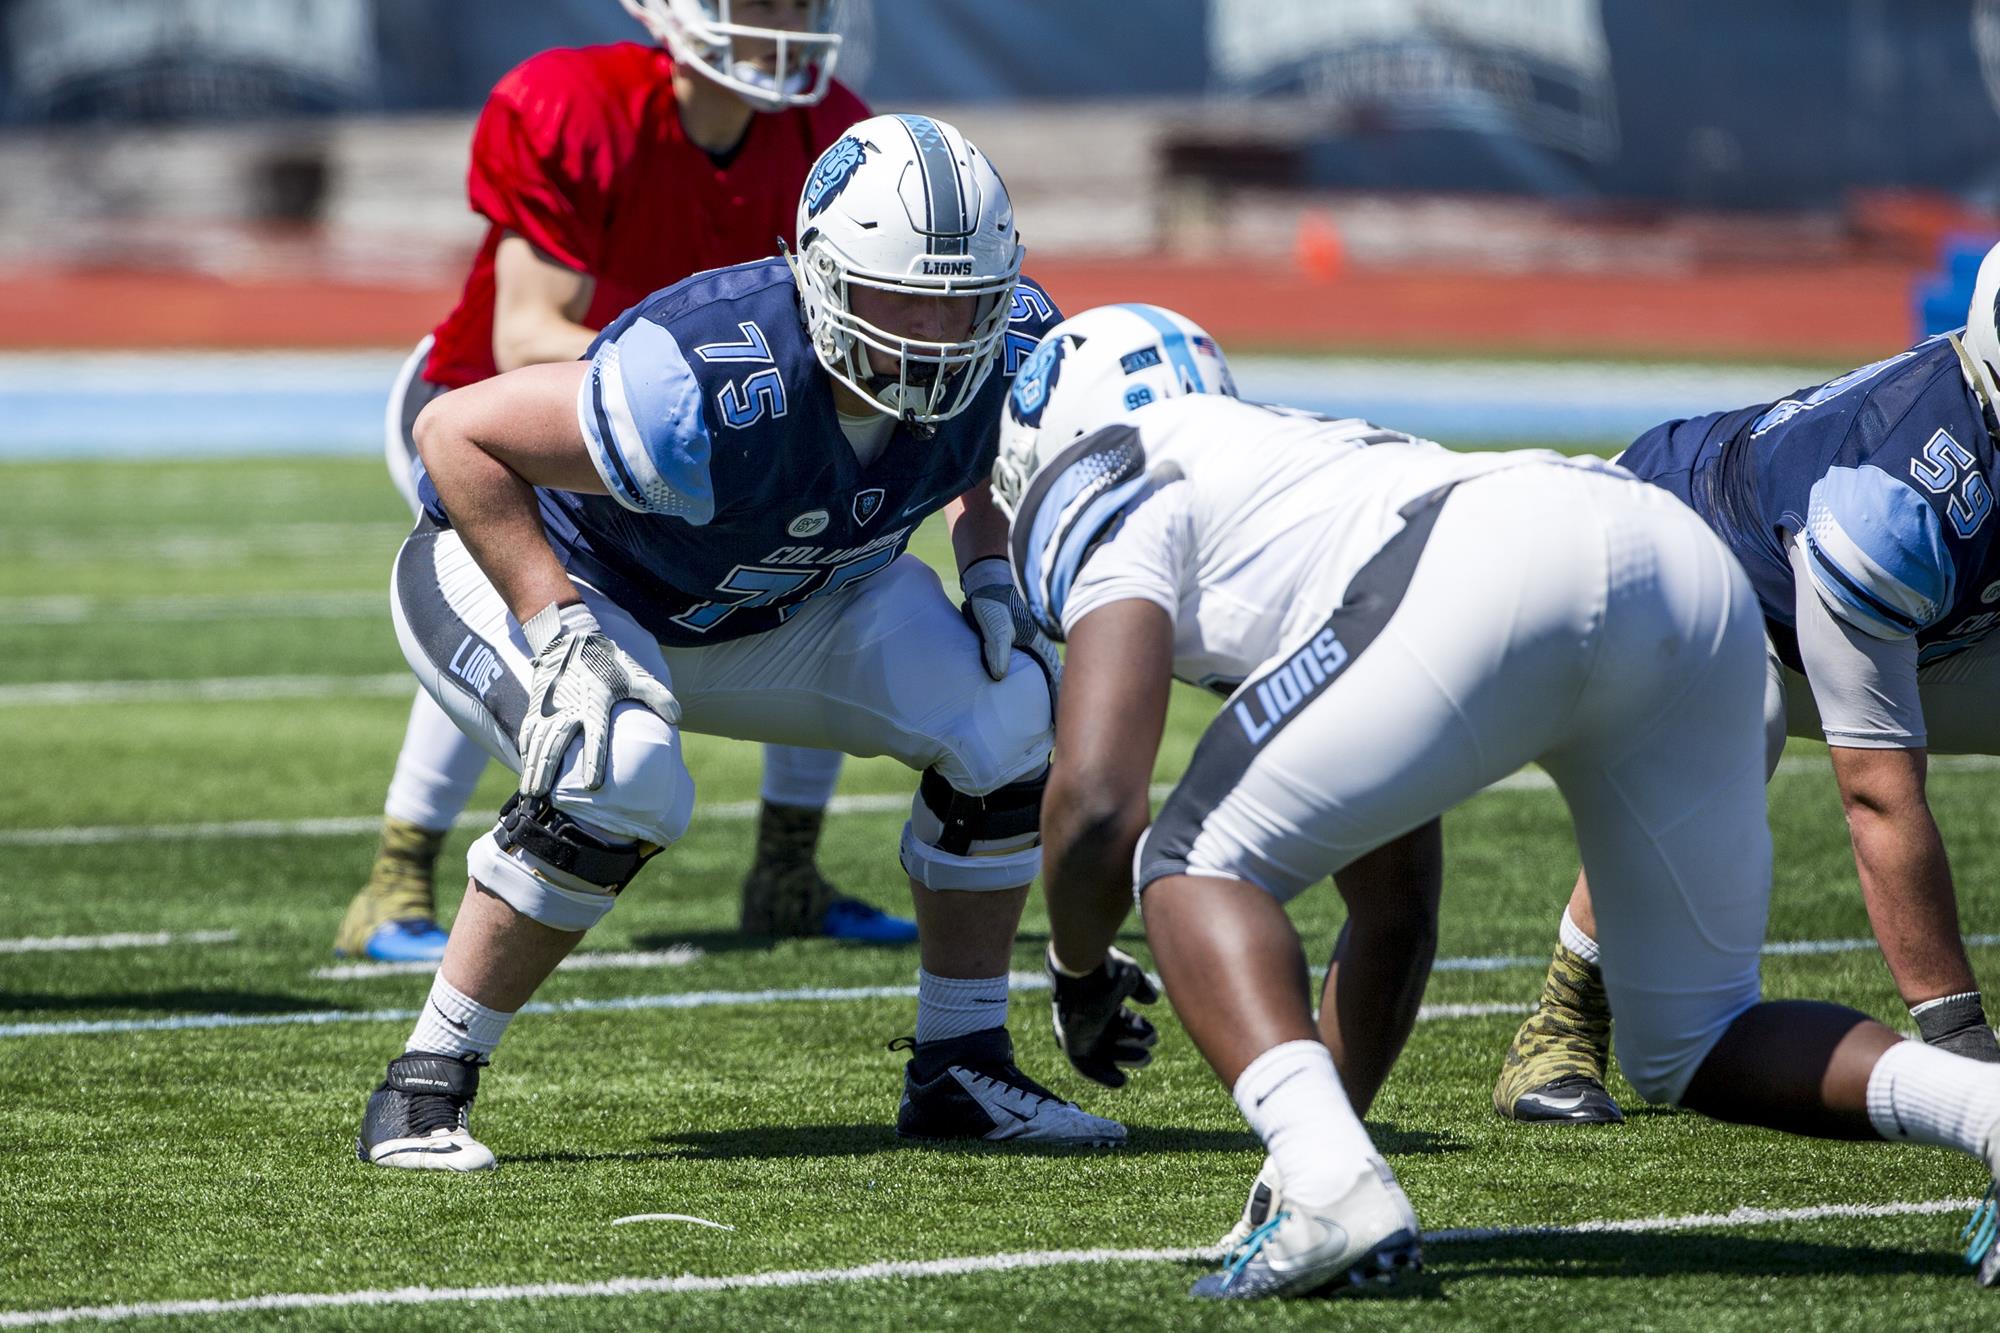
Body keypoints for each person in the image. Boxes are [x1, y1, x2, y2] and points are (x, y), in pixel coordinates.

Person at [995, 303, 2000, 1299]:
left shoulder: (1111, 470)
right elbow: (1392, 905)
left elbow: (1094, 806)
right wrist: (1305, 1147)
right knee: (1692, 1039)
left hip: (1499, 551)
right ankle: (1987, 1109)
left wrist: (1075, 967)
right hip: (1677, 555)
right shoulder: (1292, 473)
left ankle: (1332, 1190)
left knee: (1191, 861)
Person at [356, 115, 1125, 1171]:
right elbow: (457, 435)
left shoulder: (1020, 341)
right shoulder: (708, 377)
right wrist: (559, 621)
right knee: (617, 768)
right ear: (818, 277)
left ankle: (960, 1064)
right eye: (905, 296)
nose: (938, 332)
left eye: (964, 301)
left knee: (1008, 718)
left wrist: (989, 568)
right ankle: (423, 1083)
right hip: (578, 584)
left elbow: (979, 455)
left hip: (779, 604)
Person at [334, 0, 916, 964]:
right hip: (491, 414)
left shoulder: (833, 138)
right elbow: (525, 334)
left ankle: (785, 871)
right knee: (515, 598)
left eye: (798, 7)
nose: (782, 27)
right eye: (759, 5)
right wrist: (711, 390)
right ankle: (396, 876)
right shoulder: (573, 103)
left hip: (698, 426)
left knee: (827, 552)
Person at [1494, 241, 2000, 1126]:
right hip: (1680, 560)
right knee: (1738, 718)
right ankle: (1562, 1019)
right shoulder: (1897, 499)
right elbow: (1877, 792)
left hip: (1898, 606)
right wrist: (1963, 1048)